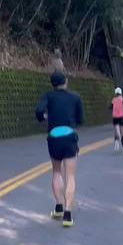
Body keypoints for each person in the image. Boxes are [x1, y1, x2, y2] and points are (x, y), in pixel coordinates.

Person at [35, 72, 84, 227]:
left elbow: (39, 111)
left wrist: (44, 118)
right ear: (66, 81)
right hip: (69, 136)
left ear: (52, 84)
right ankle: (68, 214)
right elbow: (81, 120)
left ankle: (58, 207)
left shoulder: (48, 96)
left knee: (56, 172)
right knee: (70, 176)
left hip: (54, 137)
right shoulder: (75, 97)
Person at [110, 87, 123, 154]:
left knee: (116, 131)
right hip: (122, 117)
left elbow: (110, 107)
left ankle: (117, 142)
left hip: (115, 117)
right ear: (121, 93)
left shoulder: (113, 100)